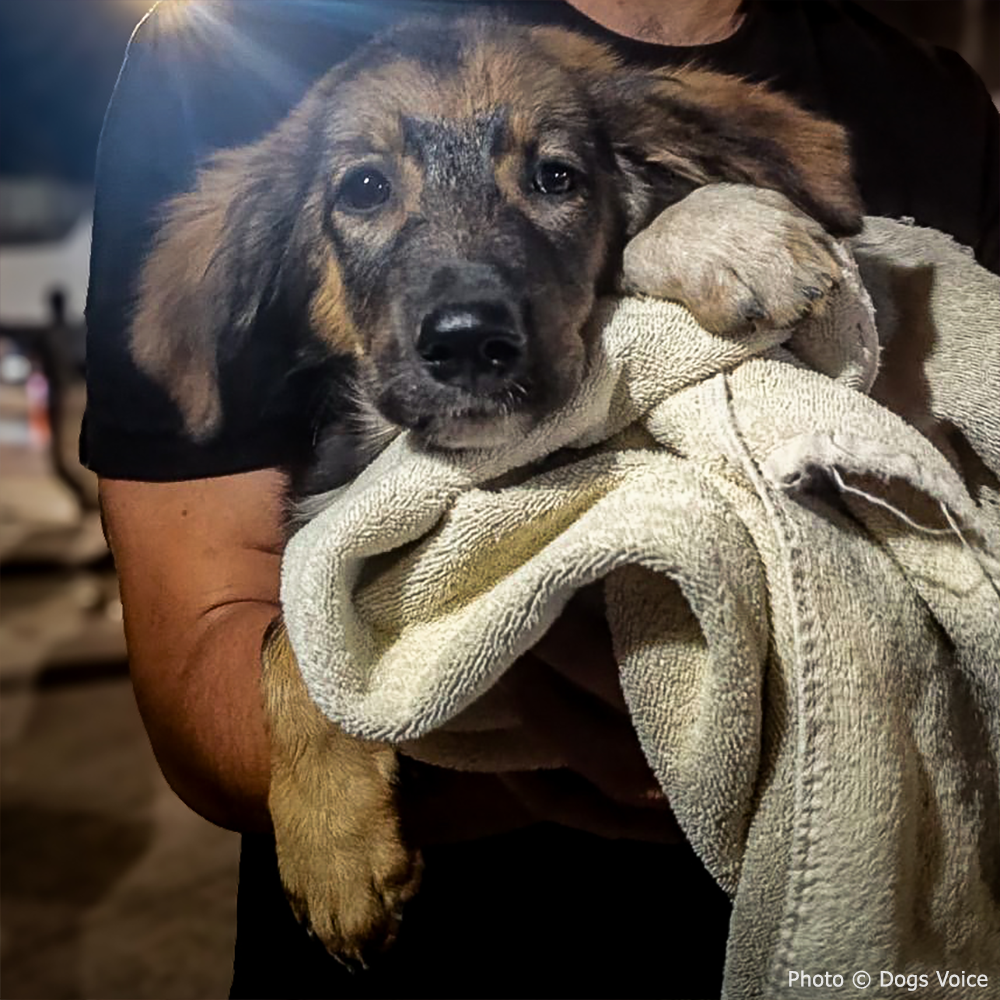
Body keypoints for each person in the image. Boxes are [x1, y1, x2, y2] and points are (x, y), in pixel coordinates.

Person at [85, 1, 999, 997]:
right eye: (367, 190)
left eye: (552, 177)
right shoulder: (228, 50)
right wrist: (468, 695)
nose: (469, 298)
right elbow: (203, 667)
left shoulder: (930, 103)